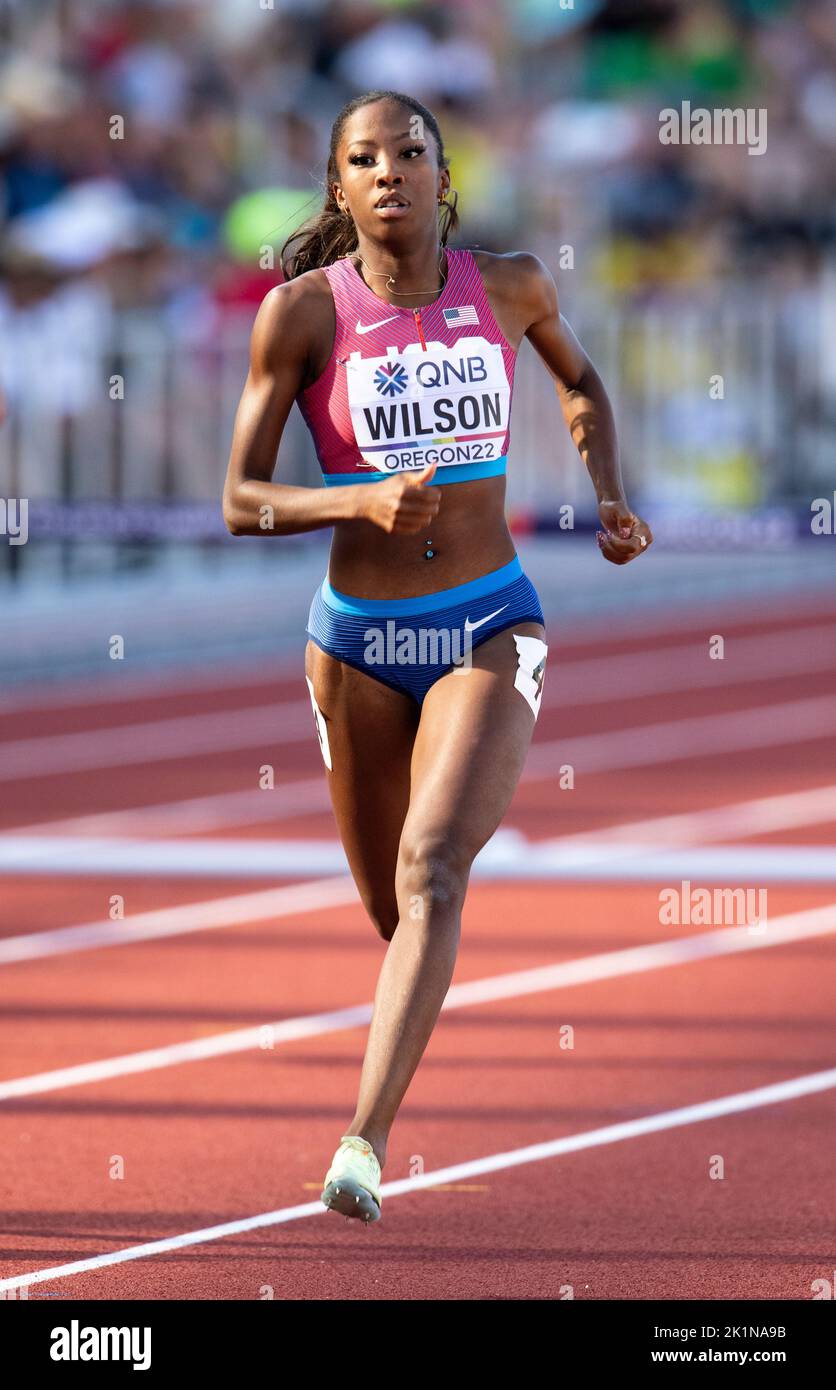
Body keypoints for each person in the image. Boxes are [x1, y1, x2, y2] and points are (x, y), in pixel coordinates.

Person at [223, 89, 652, 1224]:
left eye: (409, 152)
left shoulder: (508, 286)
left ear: (442, 175)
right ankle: (412, 1012)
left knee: (433, 872)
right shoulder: (300, 316)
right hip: (358, 646)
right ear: (339, 187)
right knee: (391, 908)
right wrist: (355, 502)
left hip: (486, 620)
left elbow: (579, 381)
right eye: (364, 159)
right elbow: (238, 499)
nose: (389, 173)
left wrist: (608, 493)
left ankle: (361, 1145)